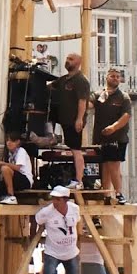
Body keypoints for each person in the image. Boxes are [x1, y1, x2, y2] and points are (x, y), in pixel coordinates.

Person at [32, 186, 81, 274]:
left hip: (71, 251)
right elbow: (36, 220)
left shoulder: (75, 209)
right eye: (53, 198)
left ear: (65, 200)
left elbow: (77, 223)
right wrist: (32, 238)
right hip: (53, 252)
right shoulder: (46, 212)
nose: (55, 201)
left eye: (58, 199)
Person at [50, 53, 91, 189]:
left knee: (76, 149)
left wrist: (79, 119)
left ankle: (79, 181)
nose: (67, 61)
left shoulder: (81, 80)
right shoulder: (63, 80)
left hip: (74, 121)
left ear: (78, 63)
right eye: (67, 58)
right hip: (63, 120)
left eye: (71, 59)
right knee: (72, 148)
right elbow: (51, 87)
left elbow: (82, 101)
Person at [92, 69, 132, 204]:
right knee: (105, 166)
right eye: (112, 76)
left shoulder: (124, 97)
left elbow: (126, 116)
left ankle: (119, 193)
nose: (115, 78)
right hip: (101, 138)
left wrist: (113, 127)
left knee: (113, 164)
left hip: (117, 138)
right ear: (106, 77)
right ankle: (106, 194)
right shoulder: (99, 94)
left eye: (117, 77)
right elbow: (89, 104)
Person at [0, 133, 34, 204]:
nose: (9, 143)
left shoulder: (21, 151)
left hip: (25, 180)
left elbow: (17, 168)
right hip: (13, 180)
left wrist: (1, 163)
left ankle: (11, 196)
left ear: (18, 142)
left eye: (12, 141)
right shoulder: (9, 154)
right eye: (7, 141)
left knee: (5, 168)